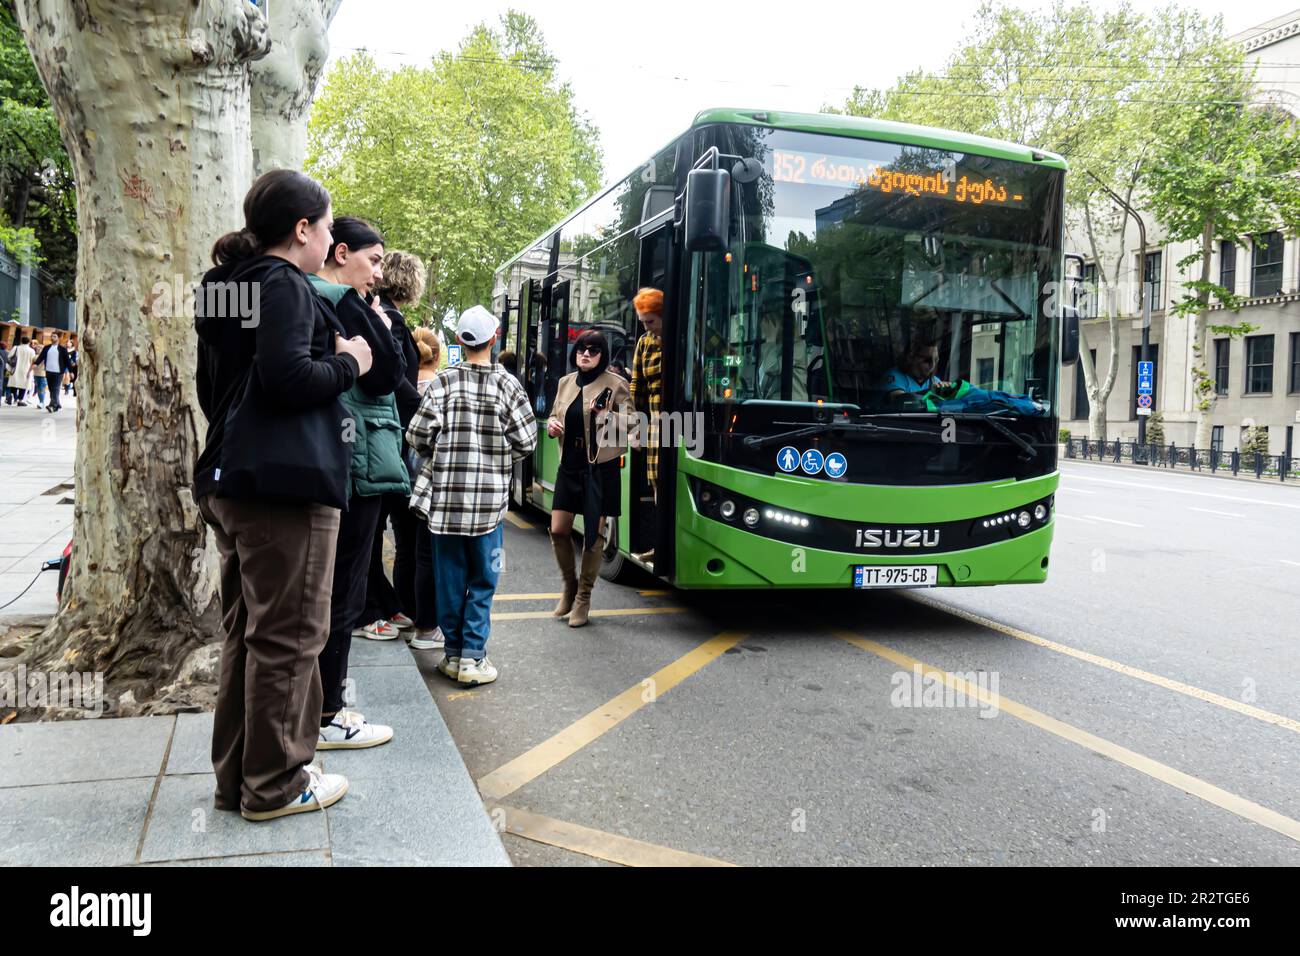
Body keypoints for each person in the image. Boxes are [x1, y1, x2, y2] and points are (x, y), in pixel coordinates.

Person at [195, 168, 372, 821]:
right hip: (286, 484)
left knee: (249, 634)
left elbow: (216, 391)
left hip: (232, 479)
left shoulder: (224, 288)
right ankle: (275, 784)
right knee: (291, 636)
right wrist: (351, 359)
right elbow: (288, 377)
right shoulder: (285, 284)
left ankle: (239, 779)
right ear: (303, 228)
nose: (331, 240)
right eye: (326, 227)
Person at [308, 217, 409, 750]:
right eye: (373, 261)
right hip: (359, 464)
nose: (378, 274)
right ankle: (329, 714)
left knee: (325, 593)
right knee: (342, 595)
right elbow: (389, 373)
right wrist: (382, 327)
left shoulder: (300, 293)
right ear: (340, 252)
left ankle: (320, 710)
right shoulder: (342, 300)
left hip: (332, 462)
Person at [406, 305, 537, 686]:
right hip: (489, 508)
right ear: (494, 339)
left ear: (460, 342)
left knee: (449, 580)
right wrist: (497, 457)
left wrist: (445, 453)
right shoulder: (508, 385)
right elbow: (526, 441)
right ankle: (472, 659)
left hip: (444, 505)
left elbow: (416, 437)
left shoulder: (443, 383)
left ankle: (452, 654)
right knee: (484, 580)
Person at [359, 250, 433, 647]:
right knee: (375, 528)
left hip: (388, 434)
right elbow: (394, 382)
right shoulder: (388, 320)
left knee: (382, 527)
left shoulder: (382, 314)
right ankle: (369, 608)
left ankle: (385, 602)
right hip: (388, 436)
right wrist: (428, 411)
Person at [546, 329, 631, 627]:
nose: (586, 354)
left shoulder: (616, 385)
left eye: (593, 350)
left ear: (602, 355)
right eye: (582, 348)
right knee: (558, 530)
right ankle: (569, 587)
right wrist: (552, 425)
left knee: (594, 537)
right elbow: (555, 415)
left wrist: (607, 418)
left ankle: (584, 597)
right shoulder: (565, 383)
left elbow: (634, 425)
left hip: (600, 468)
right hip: (569, 465)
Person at [628, 287, 664, 562]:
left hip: (688, 421)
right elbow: (636, 387)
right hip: (655, 423)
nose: (647, 327)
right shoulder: (644, 342)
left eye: (650, 321)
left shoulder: (691, 334)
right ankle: (660, 544)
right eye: (643, 322)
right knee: (656, 483)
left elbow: (726, 363)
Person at [884, 334, 950, 401]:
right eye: (927, 360)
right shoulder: (893, 376)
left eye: (936, 360)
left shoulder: (934, 381)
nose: (933, 365)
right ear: (910, 358)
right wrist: (932, 392)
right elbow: (898, 398)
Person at [37, 335, 70, 412]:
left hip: (58, 372)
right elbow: (41, 357)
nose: (52, 338)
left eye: (54, 336)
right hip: (48, 371)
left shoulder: (62, 349)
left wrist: (71, 371)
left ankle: (52, 405)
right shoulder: (47, 348)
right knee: (52, 389)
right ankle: (57, 404)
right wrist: (35, 364)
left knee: (55, 388)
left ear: (58, 338)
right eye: (52, 336)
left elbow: (67, 361)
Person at [8, 336, 35, 406]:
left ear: (21, 341)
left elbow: (9, 357)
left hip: (15, 369)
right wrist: (30, 371)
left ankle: (15, 397)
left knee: (14, 384)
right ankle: (20, 400)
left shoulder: (16, 348)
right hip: (26, 370)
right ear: (29, 342)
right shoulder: (31, 351)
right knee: (23, 385)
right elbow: (33, 362)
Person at [31, 336, 47, 408]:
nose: (37, 349)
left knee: (41, 389)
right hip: (37, 375)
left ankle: (42, 402)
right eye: (37, 348)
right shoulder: (35, 356)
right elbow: (31, 365)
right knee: (39, 389)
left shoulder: (43, 357)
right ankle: (41, 402)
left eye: (38, 348)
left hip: (42, 375)